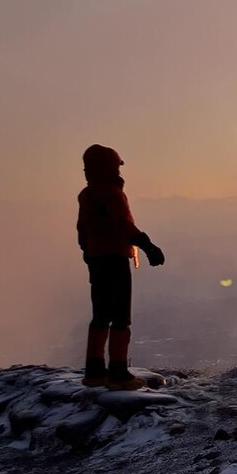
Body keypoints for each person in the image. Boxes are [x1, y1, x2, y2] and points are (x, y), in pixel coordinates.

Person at [77, 145, 165, 389]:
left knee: (100, 316)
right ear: (107, 168)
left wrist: (88, 254)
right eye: (116, 166)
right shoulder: (113, 195)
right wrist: (149, 247)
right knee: (120, 317)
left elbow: (82, 230)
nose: (118, 170)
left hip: (96, 260)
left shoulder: (86, 195)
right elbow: (124, 225)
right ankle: (118, 373)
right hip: (115, 259)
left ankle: (94, 371)